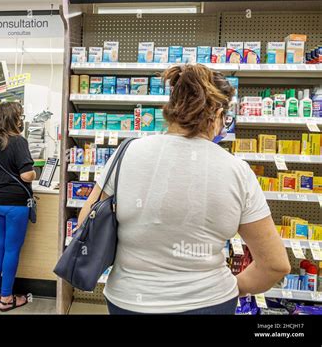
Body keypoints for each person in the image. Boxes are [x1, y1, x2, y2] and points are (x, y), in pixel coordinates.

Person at [77, 64, 291, 315]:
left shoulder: (126, 154)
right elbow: (275, 265)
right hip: (209, 303)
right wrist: (234, 287)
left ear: (172, 107)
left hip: (129, 300)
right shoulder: (237, 171)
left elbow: (85, 223)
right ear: (219, 113)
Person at [0, 101, 36, 312]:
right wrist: (35, 171)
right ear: (14, 119)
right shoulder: (18, 142)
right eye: (20, 116)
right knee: (11, 250)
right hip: (15, 203)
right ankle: (7, 299)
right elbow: (26, 174)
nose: (22, 119)